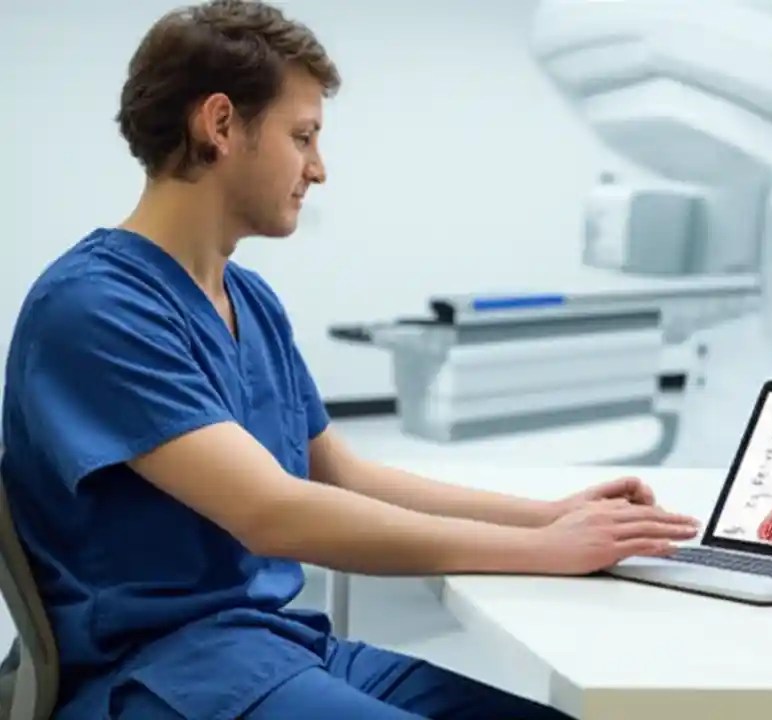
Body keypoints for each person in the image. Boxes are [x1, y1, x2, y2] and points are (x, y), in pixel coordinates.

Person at [0, 1, 701, 718]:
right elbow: (273, 513)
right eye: (302, 136)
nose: (319, 168)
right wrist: (547, 551)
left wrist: (545, 517)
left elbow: (342, 475)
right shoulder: (94, 307)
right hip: (165, 675)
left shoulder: (250, 299)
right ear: (219, 125)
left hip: (279, 647)